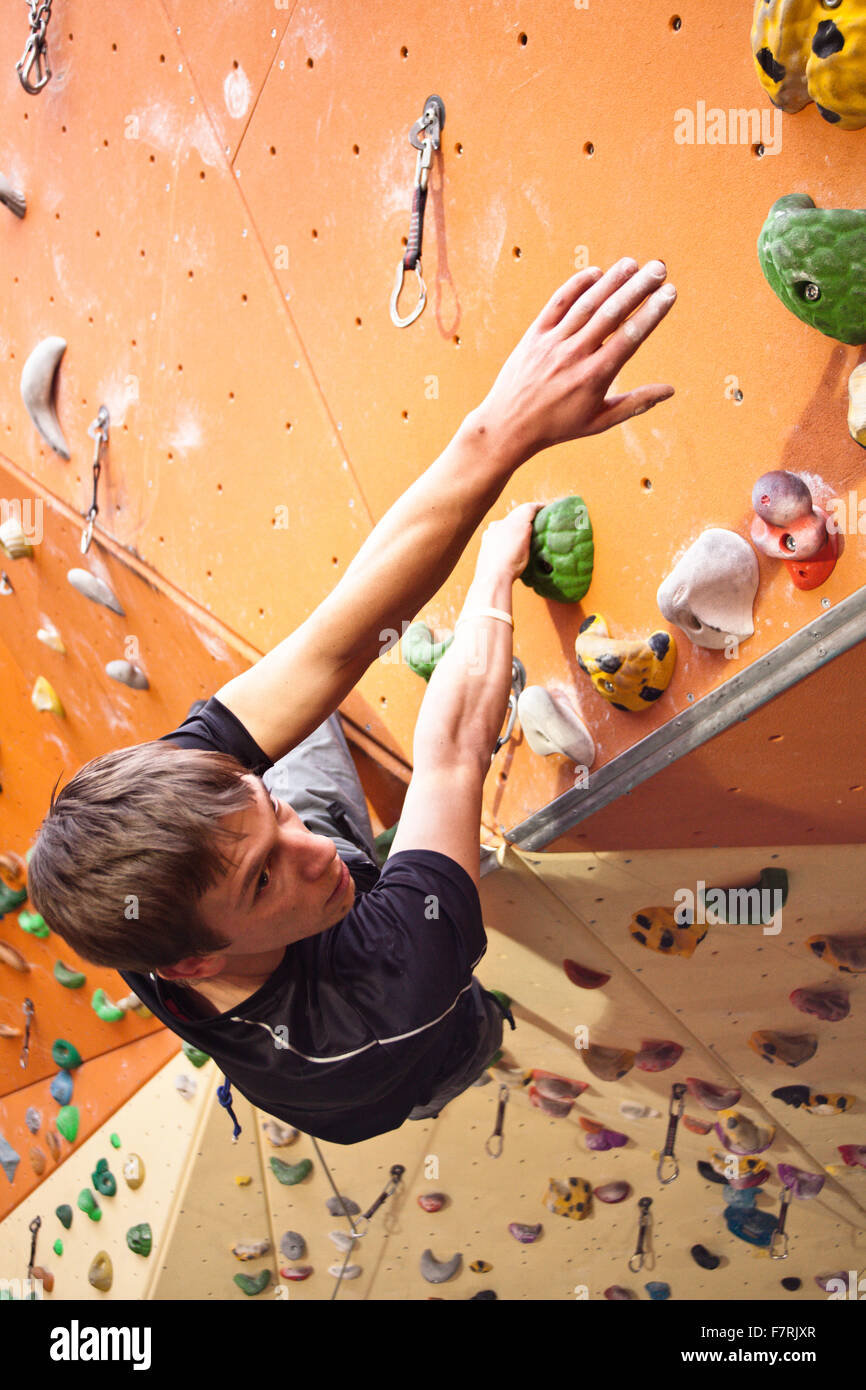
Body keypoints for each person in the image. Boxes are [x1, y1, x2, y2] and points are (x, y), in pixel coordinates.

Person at [26, 260, 676, 1143]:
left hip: (281, 942)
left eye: (268, 812)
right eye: (263, 875)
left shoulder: (148, 883)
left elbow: (336, 643)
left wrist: (500, 431)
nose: (312, 848)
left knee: (305, 727)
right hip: (401, 1055)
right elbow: (451, 747)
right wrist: (493, 573)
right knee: (460, 1025)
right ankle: (479, 1040)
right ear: (192, 961)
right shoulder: (394, 983)